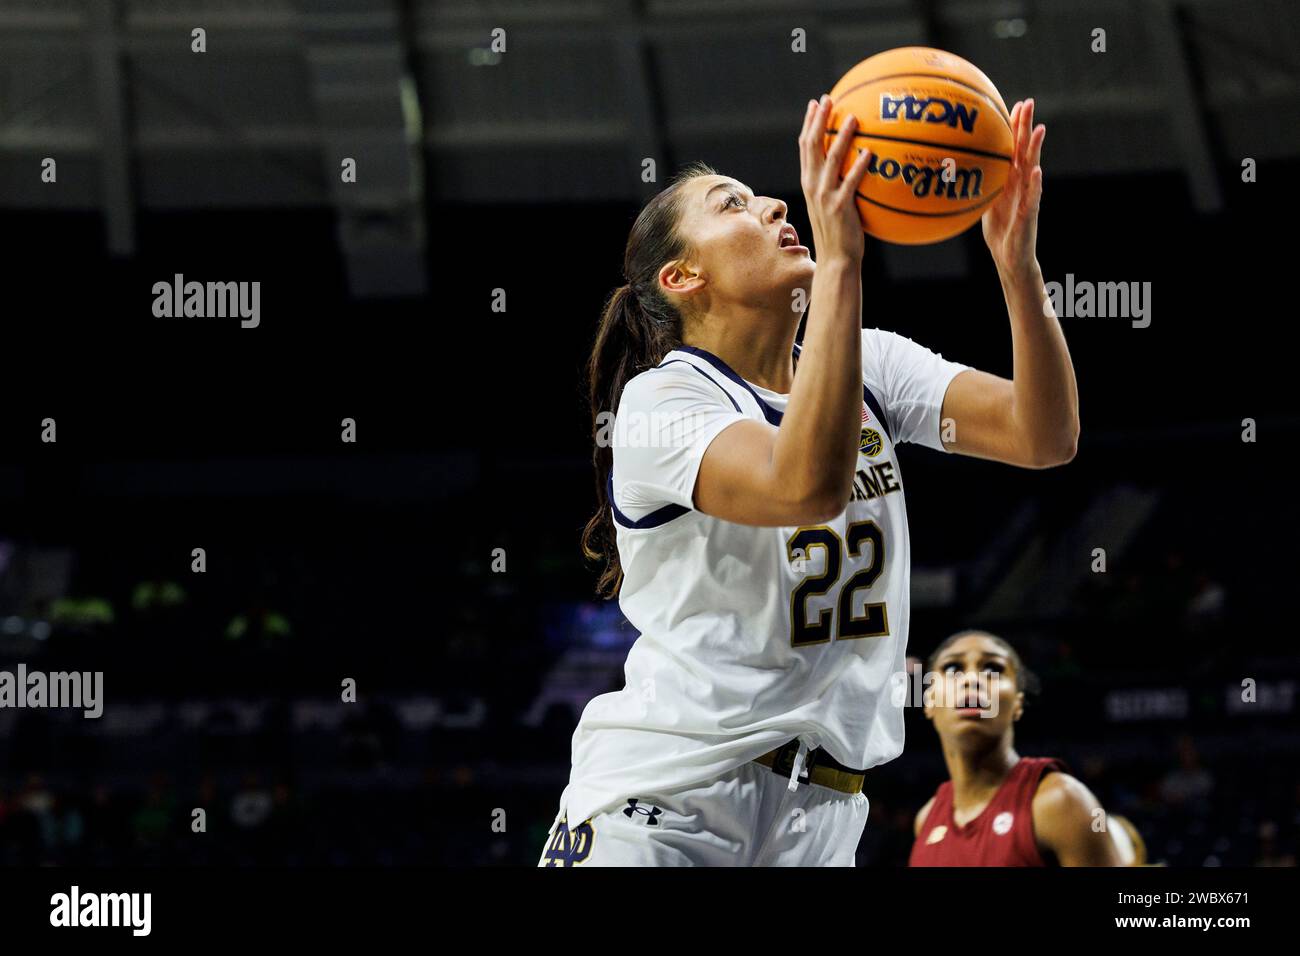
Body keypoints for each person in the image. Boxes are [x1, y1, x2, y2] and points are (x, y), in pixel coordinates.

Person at [541, 95, 1077, 866]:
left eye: (759, 194)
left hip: (824, 818)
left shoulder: (873, 362)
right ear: (683, 275)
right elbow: (803, 487)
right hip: (667, 799)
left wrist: (1018, 267)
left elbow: (1045, 434)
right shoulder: (662, 401)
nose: (772, 204)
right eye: (733, 204)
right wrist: (844, 263)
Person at [909, 630, 1124, 866]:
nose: (972, 680)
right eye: (952, 669)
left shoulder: (1064, 801)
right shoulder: (926, 819)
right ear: (929, 701)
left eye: (993, 669)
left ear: (1018, 704)